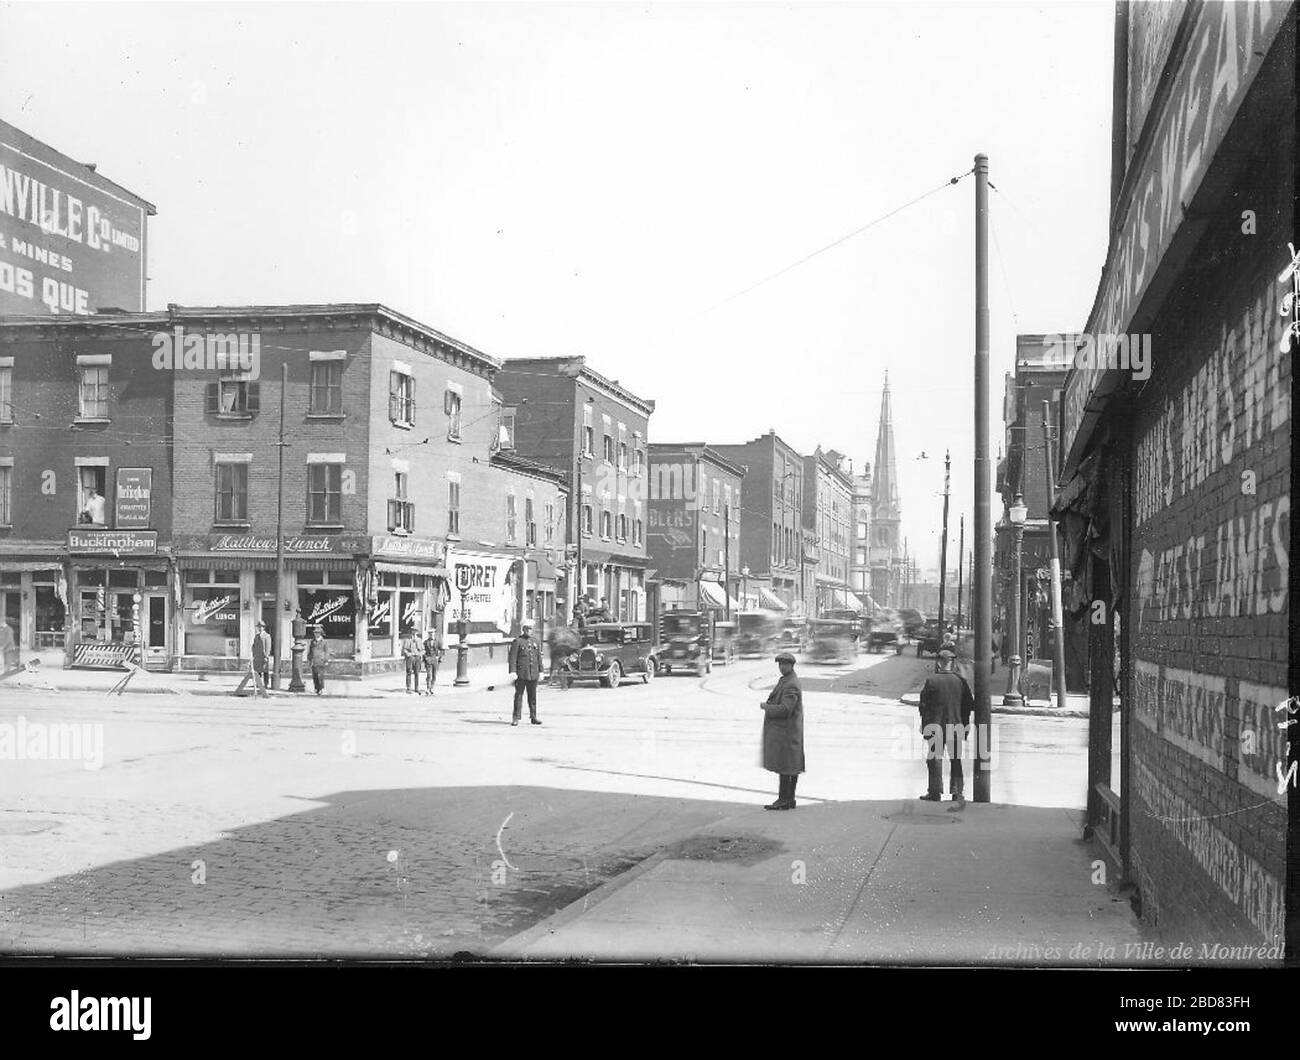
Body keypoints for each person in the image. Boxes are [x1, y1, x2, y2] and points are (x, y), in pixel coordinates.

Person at [917, 648, 974, 805]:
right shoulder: (961, 682)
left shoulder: (931, 681)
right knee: (956, 759)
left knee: (934, 758)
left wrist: (924, 725)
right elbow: (968, 705)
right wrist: (964, 724)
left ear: (938, 662)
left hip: (935, 726)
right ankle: (957, 793)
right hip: (955, 725)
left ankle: (935, 792)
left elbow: (923, 706)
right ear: (952, 663)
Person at [760, 651, 804, 810]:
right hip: (788, 732)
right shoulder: (787, 680)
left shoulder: (791, 683)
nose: (781, 667)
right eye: (780, 664)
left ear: (791, 665)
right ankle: (789, 799)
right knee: (789, 766)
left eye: (784, 664)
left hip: (787, 733)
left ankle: (784, 799)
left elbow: (786, 709)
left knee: (786, 767)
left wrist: (767, 707)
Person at [507, 619, 543, 726]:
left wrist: (541, 671)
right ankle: (516, 717)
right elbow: (512, 658)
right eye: (527, 629)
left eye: (530, 629)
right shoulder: (518, 641)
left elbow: (538, 658)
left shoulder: (536, 641)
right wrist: (513, 671)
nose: (529, 631)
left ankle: (533, 716)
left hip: (533, 673)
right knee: (519, 695)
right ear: (523, 629)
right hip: (521, 673)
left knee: (532, 696)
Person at [251, 620, 273, 695]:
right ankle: (258, 683)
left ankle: (266, 684)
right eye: (259, 627)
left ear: (264, 628)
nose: (260, 628)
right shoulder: (256, 636)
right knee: (257, 671)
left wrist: (266, 656)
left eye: (261, 627)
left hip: (263, 656)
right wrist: (253, 654)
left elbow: (268, 647)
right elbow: (254, 646)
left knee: (265, 671)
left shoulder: (267, 636)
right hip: (257, 656)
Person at [307, 625, 330, 695]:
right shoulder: (312, 641)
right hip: (314, 660)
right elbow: (310, 651)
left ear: (320, 633)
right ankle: (316, 688)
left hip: (321, 660)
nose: (316, 634)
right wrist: (309, 659)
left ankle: (321, 688)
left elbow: (326, 651)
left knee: (320, 675)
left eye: (317, 633)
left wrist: (326, 660)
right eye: (315, 633)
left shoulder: (324, 642)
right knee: (315, 675)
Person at [401, 626, 423, 693]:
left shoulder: (419, 640)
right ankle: (408, 688)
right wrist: (408, 654)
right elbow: (404, 649)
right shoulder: (407, 640)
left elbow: (423, 649)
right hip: (410, 657)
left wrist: (420, 654)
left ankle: (416, 688)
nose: (414, 633)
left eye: (416, 631)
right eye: (413, 631)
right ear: (411, 631)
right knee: (409, 672)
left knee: (417, 673)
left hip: (417, 657)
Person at [422, 628, 442, 694]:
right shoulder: (425, 642)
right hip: (428, 660)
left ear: (434, 634)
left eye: (432, 633)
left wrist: (438, 657)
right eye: (430, 634)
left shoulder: (437, 642)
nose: (431, 635)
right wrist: (425, 658)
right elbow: (422, 651)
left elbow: (441, 650)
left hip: (435, 660)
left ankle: (432, 687)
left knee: (434, 675)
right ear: (428, 635)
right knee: (429, 674)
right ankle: (428, 688)